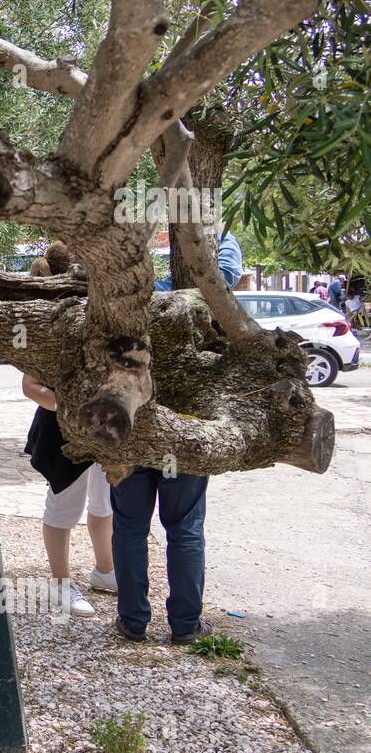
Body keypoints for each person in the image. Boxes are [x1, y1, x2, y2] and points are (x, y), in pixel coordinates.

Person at [109, 223, 241, 644]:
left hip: (131, 432)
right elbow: (228, 274)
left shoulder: (118, 300)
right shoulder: (201, 299)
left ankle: (133, 621)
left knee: (130, 528)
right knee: (184, 527)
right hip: (183, 430)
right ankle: (185, 624)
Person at [21, 247, 116, 617]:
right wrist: (76, 410)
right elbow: (31, 387)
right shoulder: (48, 325)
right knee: (64, 506)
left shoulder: (95, 317)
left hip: (100, 426)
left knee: (104, 501)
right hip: (63, 430)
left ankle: (105, 571)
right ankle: (61, 584)